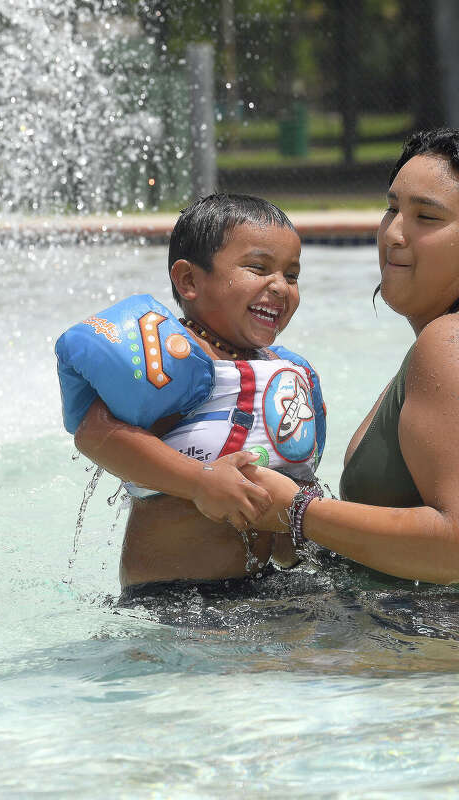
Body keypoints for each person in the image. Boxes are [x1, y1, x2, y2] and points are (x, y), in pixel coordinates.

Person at [248, 127, 459, 591]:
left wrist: (299, 512)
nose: (394, 234)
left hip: (454, 646)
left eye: (426, 217)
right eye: (392, 209)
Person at [55, 194, 327, 593]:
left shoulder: (286, 373)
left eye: (291, 274)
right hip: (173, 601)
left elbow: (286, 541)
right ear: (189, 280)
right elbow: (94, 435)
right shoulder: (169, 361)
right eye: (258, 268)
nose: (280, 287)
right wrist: (199, 481)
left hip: (262, 592)